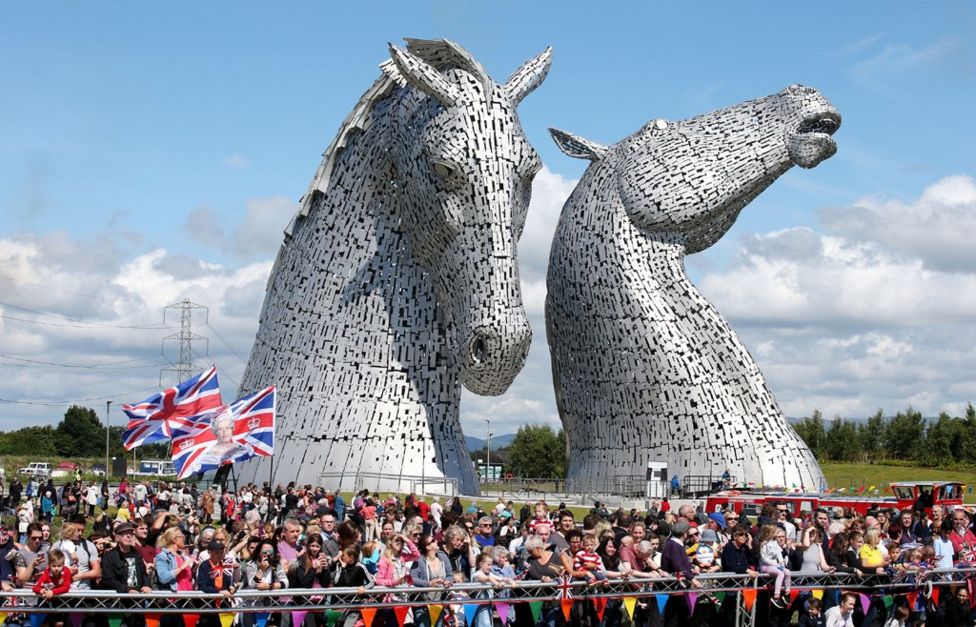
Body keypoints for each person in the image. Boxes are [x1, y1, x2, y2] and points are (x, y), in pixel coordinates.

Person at [758, 524, 791, 608]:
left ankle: (787, 592)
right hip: (765, 566)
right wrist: (774, 564)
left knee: (787, 572)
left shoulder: (774, 543)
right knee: (780, 574)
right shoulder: (763, 544)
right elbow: (764, 558)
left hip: (775, 565)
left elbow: (778, 554)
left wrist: (781, 563)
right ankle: (776, 596)